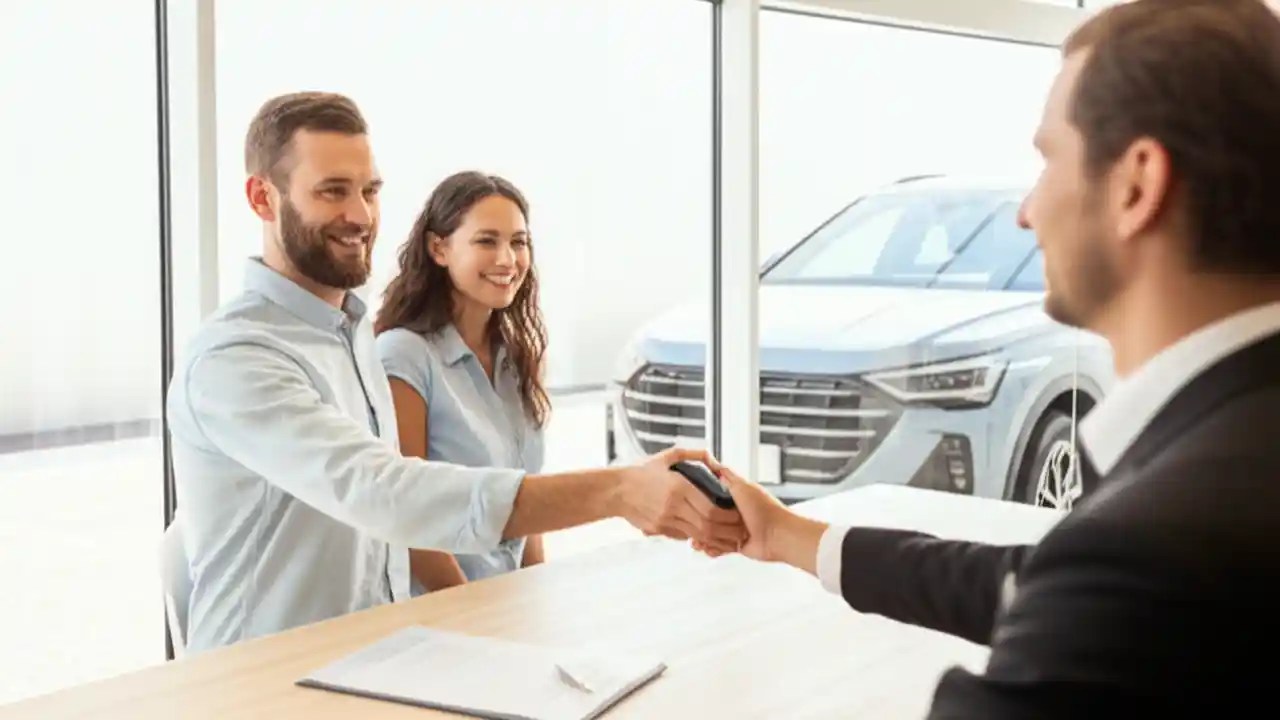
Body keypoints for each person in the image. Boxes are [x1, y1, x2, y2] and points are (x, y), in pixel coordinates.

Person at [700, 0, 1280, 714]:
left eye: (1048, 159)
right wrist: (791, 536)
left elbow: (1090, 586)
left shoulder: (1153, 546)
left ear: (1137, 185)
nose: (1025, 212)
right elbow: (1037, 583)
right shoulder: (1230, 464)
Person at [165, 91, 744, 653]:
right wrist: (620, 490)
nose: (361, 215)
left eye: (370, 191)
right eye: (332, 191)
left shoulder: (351, 336)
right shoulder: (236, 356)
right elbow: (386, 494)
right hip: (262, 678)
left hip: (369, 655)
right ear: (262, 199)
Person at [374, 171, 550, 592]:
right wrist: (473, 613)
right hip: (447, 609)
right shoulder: (403, 355)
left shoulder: (518, 358)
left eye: (519, 242)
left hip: (511, 605)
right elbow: (409, 519)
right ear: (439, 248)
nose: (507, 259)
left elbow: (529, 502)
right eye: (486, 241)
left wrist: (539, 595)